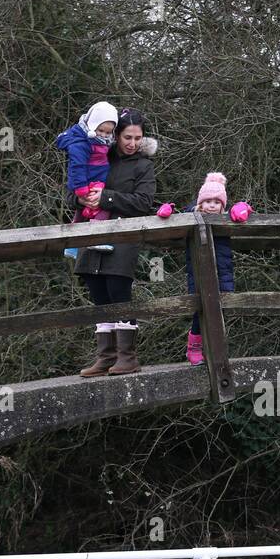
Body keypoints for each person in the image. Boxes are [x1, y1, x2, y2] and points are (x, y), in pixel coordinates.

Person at [68, 107, 158, 377]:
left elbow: (144, 203)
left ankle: (127, 358)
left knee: (120, 296)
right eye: (127, 137)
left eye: (137, 138)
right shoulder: (97, 156)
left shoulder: (143, 166)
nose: (132, 143)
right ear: (117, 135)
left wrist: (106, 198)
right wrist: (80, 198)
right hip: (91, 236)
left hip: (123, 239)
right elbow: (72, 192)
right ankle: (105, 357)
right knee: (99, 299)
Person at [179, 172, 235, 365]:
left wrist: (245, 208)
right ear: (200, 203)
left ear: (222, 206)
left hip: (223, 274)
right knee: (200, 308)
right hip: (200, 274)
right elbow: (184, 214)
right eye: (208, 201)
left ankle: (214, 348)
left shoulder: (226, 220)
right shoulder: (193, 217)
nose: (212, 205)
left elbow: (242, 215)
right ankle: (194, 346)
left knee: (221, 308)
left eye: (217, 202)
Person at [55, 101, 116, 254]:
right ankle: (97, 238)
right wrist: (81, 188)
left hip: (93, 179)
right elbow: (77, 166)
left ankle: (72, 247)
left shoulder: (97, 141)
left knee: (81, 214)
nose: (103, 135)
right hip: (89, 182)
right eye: (101, 130)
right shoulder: (82, 144)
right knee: (102, 207)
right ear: (92, 125)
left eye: (108, 133)